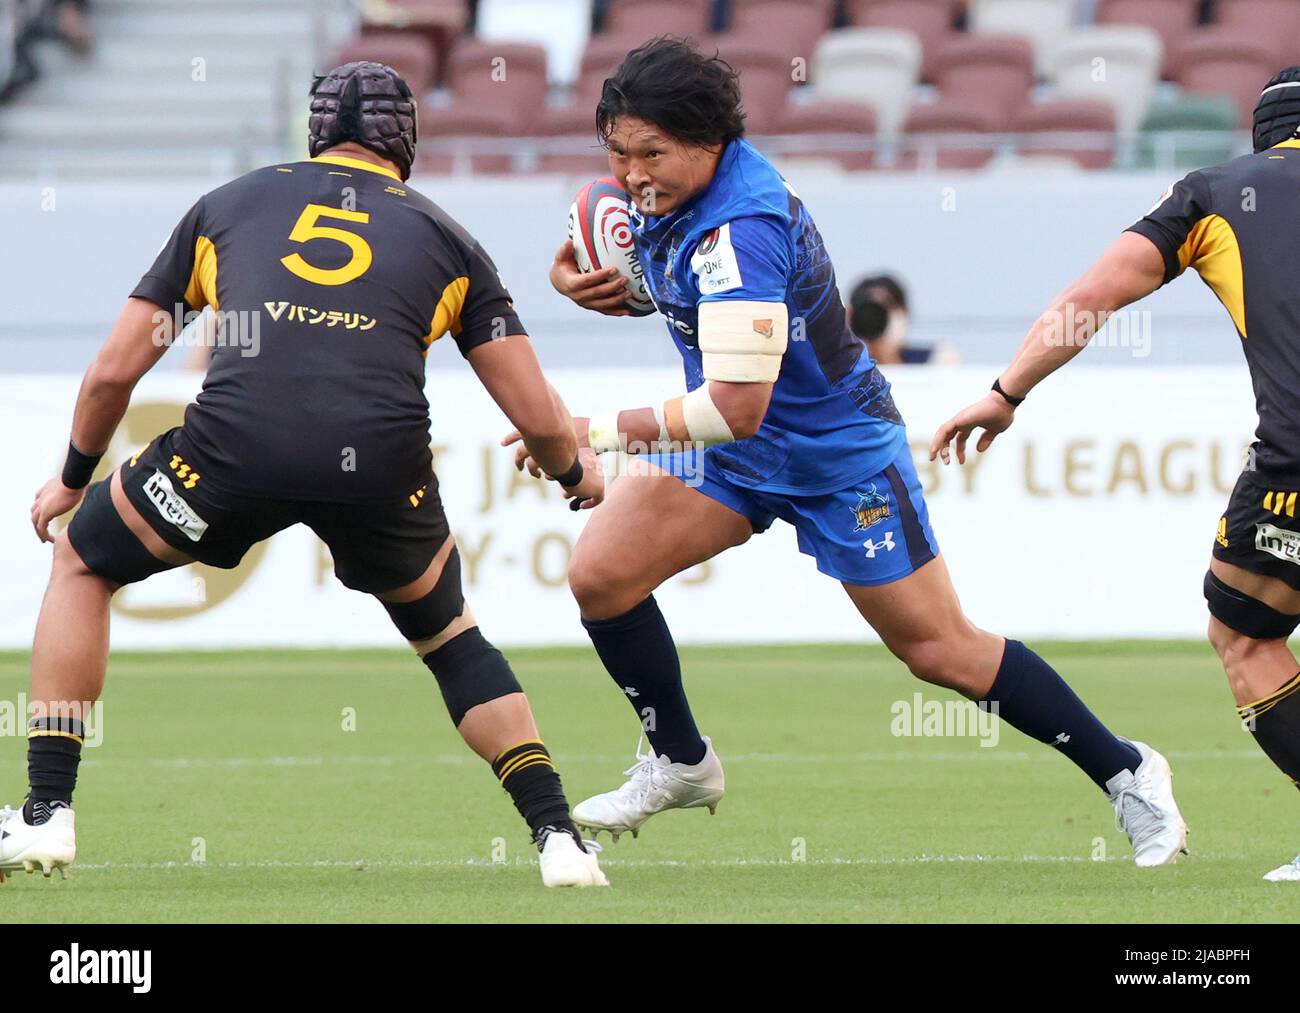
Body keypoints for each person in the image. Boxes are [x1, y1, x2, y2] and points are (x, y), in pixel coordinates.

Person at [517, 37, 1187, 865]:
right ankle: (681, 760)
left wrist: (590, 432)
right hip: (736, 454)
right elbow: (688, 305)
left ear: (709, 140)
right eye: (618, 154)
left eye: (651, 152)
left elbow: (733, 403)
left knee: (940, 650)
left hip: (834, 455)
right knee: (601, 575)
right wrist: (579, 283)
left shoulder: (742, 228)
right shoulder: (675, 199)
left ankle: (1128, 770)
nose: (632, 174)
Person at [3, 61, 607, 888]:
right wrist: (576, 471)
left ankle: (47, 810)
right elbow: (536, 413)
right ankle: (558, 838)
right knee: (448, 635)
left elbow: (114, 372)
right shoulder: (448, 238)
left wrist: (73, 477)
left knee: (83, 558)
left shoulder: (228, 205)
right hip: (380, 465)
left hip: (232, 450)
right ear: (408, 141)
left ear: (314, 132)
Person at [931, 66, 1300, 883]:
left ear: (1263, 136)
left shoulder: (1215, 194)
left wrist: (1005, 392)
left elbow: (1087, 297)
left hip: (1295, 463)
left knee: (1249, 631)